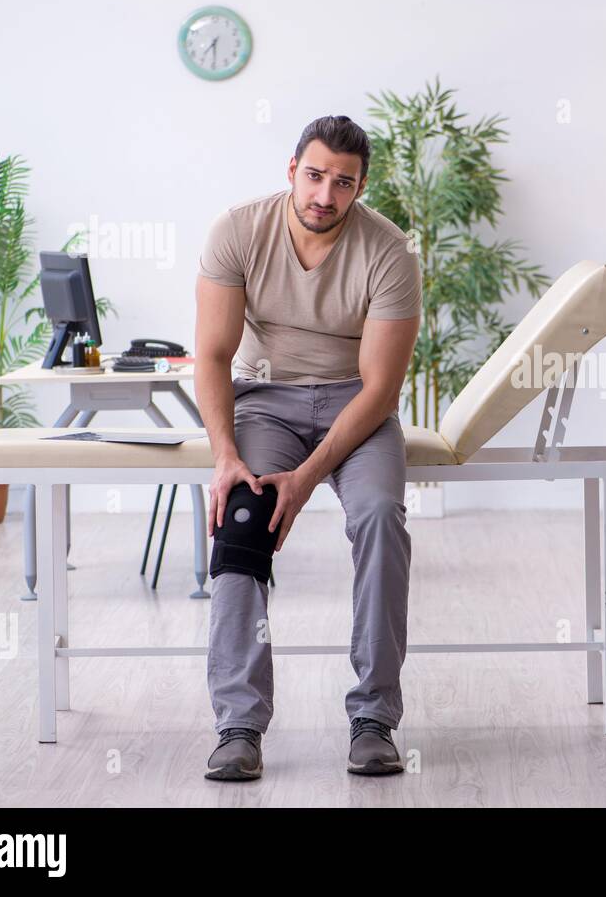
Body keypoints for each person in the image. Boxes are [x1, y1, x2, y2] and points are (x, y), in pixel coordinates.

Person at [193, 115, 421, 779]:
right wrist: (227, 457)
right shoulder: (237, 231)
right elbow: (212, 353)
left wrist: (306, 476)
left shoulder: (389, 251)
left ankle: (374, 716)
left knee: (380, 516)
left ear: (361, 186)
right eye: (315, 175)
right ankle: (238, 724)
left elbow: (380, 389)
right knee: (240, 518)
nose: (325, 194)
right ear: (292, 169)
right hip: (267, 401)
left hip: (358, 411)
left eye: (343, 183)